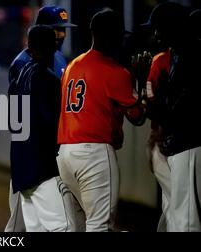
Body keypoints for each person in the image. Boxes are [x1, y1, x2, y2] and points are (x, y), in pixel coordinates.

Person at [56, 9, 146, 232]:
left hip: (65, 155)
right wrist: (142, 83)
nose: (121, 40)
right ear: (111, 35)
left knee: (77, 226)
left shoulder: (72, 66)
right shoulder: (115, 71)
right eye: (118, 35)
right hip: (93, 156)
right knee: (99, 226)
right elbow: (137, 116)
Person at [5, 4, 77, 232]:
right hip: (37, 156)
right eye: (56, 29)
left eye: (63, 28)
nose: (62, 34)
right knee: (20, 226)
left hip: (36, 157)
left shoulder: (58, 58)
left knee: (37, 225)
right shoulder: (23, 64)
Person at [144, 3, 201, 232]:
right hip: (183, 145)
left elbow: (174, 114)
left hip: (188, 145)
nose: (156, 35)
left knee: (185, 220)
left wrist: (145, 90)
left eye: (160, 29)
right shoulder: (180, 55)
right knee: (177, 213)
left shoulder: (189, 57)